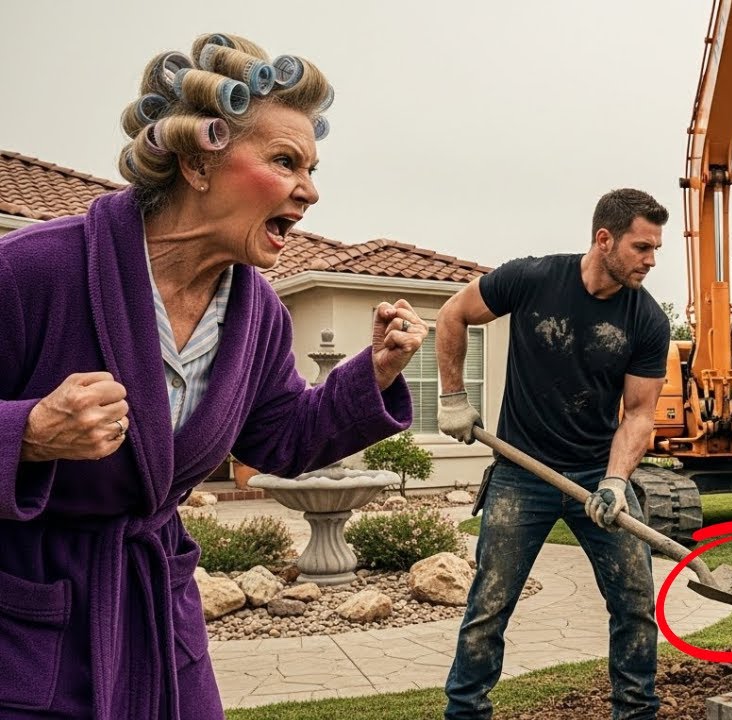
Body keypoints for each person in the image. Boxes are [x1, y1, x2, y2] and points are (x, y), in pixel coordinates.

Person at [0, 34, 426, 719]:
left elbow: (282, 439)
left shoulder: (255, 312)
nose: (310, 191)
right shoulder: (31, 273)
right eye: (285, 161)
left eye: (312, 168)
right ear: (199, 162)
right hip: (29, 634)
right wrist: (28, 433)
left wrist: (373, 374)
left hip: (160, 626)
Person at [435, 188, 672, 720]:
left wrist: (615, 482)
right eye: (642, 247)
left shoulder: (648, 320)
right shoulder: (533, 278)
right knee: (489, 607)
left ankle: (635, 712)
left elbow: (638, 413)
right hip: (521, 473)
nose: (651, 261)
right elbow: (453, 314)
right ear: (604, 239)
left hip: (596, 476)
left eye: (656, 249)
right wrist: (452, 396)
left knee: (635, 605)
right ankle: (466, 712)